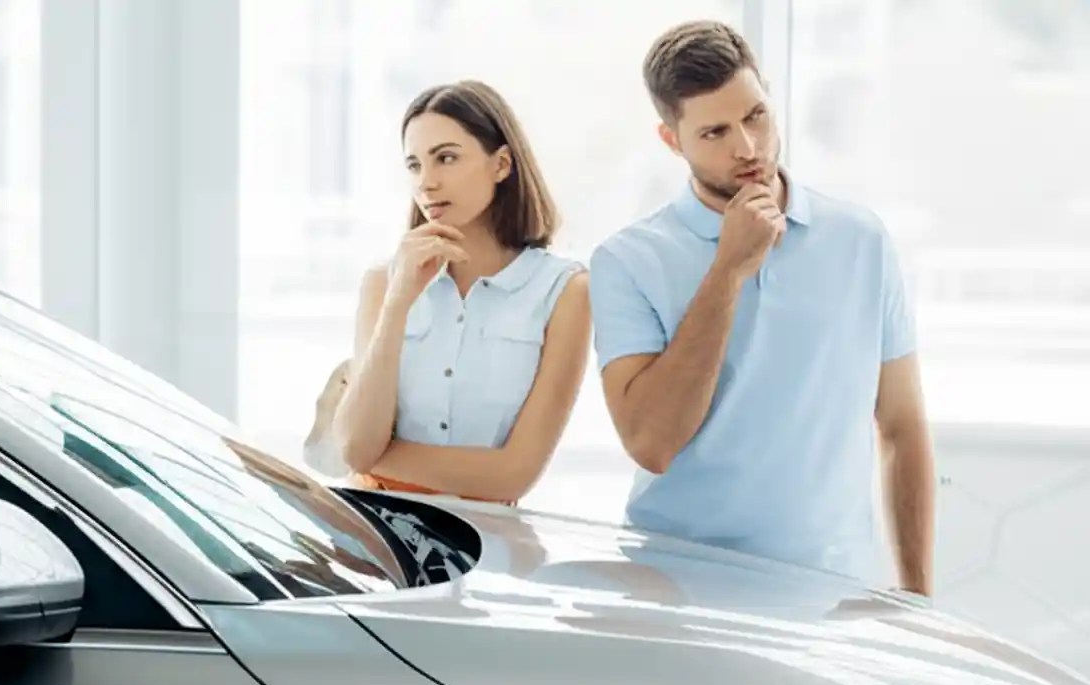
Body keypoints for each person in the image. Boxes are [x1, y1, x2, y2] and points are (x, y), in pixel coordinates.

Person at [588, 21, 936, 593]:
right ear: (672, 140)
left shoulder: (861, 239)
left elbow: (901, 425)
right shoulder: (626, 261)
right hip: (677, 586)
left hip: (832, 583)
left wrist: (917, 596)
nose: (746, 148)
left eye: (755, 116)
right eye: (715, 132)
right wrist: (729, 269)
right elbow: (652, 443)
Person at [331, 80, 591, 505]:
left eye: (446, 158)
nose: (427, 183)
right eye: (414, 165)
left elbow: (513, 476)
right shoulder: (383, 282)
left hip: (485, 545)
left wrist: (380, 456)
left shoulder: (565, 291)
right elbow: (355, 448)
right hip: (371, 528)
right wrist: (398, 303)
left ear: (502, 164)